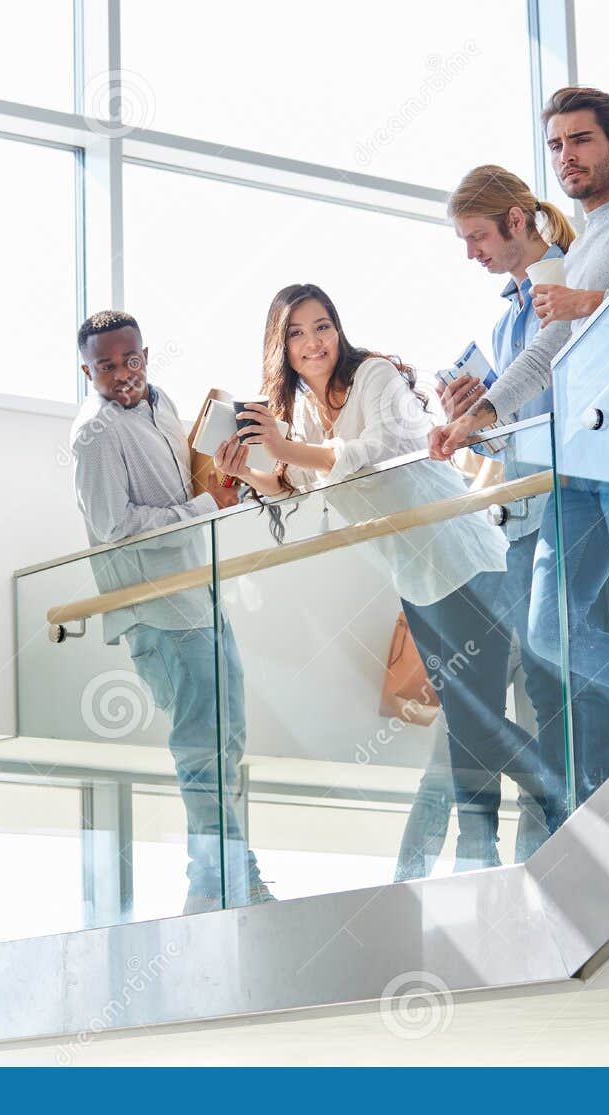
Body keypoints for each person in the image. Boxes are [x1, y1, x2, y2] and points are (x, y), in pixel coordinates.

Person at [216, 283, 549, 871]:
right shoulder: (303, 418)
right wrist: (254, 470)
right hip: (416, 578)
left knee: (475, 720)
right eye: (296, 333)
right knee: (468, 723)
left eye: (321, 326)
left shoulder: (374, 377)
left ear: (337, 328)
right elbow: (302, 482)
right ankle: (487, 844)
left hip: (463, 558)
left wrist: (285, 447)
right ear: (282, 347)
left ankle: (544, 805)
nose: (313, 342)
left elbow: (372, 450)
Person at [430, 87, 609, 743]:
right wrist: (481, 412)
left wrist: (588, 305)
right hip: (584, 457)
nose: (566, 156)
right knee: (549, 628)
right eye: (555, 144)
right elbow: (549, 349)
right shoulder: (576, 253)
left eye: (580, 140)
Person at [439, 164, 609, 818]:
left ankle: (608, 817)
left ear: (515, 221)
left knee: (583, 677)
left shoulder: (577, 281)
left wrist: (493, 413)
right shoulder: (505, 322)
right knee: (547, 689)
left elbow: (584, 400)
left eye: (476, 236)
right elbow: (516, 436)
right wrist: (479, 415)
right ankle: (564, 829)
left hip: (579, 506)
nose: (471, 253)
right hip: (523, 519)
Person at [69, 309, 274, 914]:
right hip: (157, 609)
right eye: (106, 367)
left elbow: (182, 490)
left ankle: (221, 881)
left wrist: (216, 487)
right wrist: (204, 507)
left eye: (130, 360)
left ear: (146, 355)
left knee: (228, 737)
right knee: (202, 744)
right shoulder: (94, 434)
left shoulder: (163, 403)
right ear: (88, 371)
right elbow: (115, 529)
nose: (122, 375)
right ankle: (225, 882)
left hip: (200, 594)